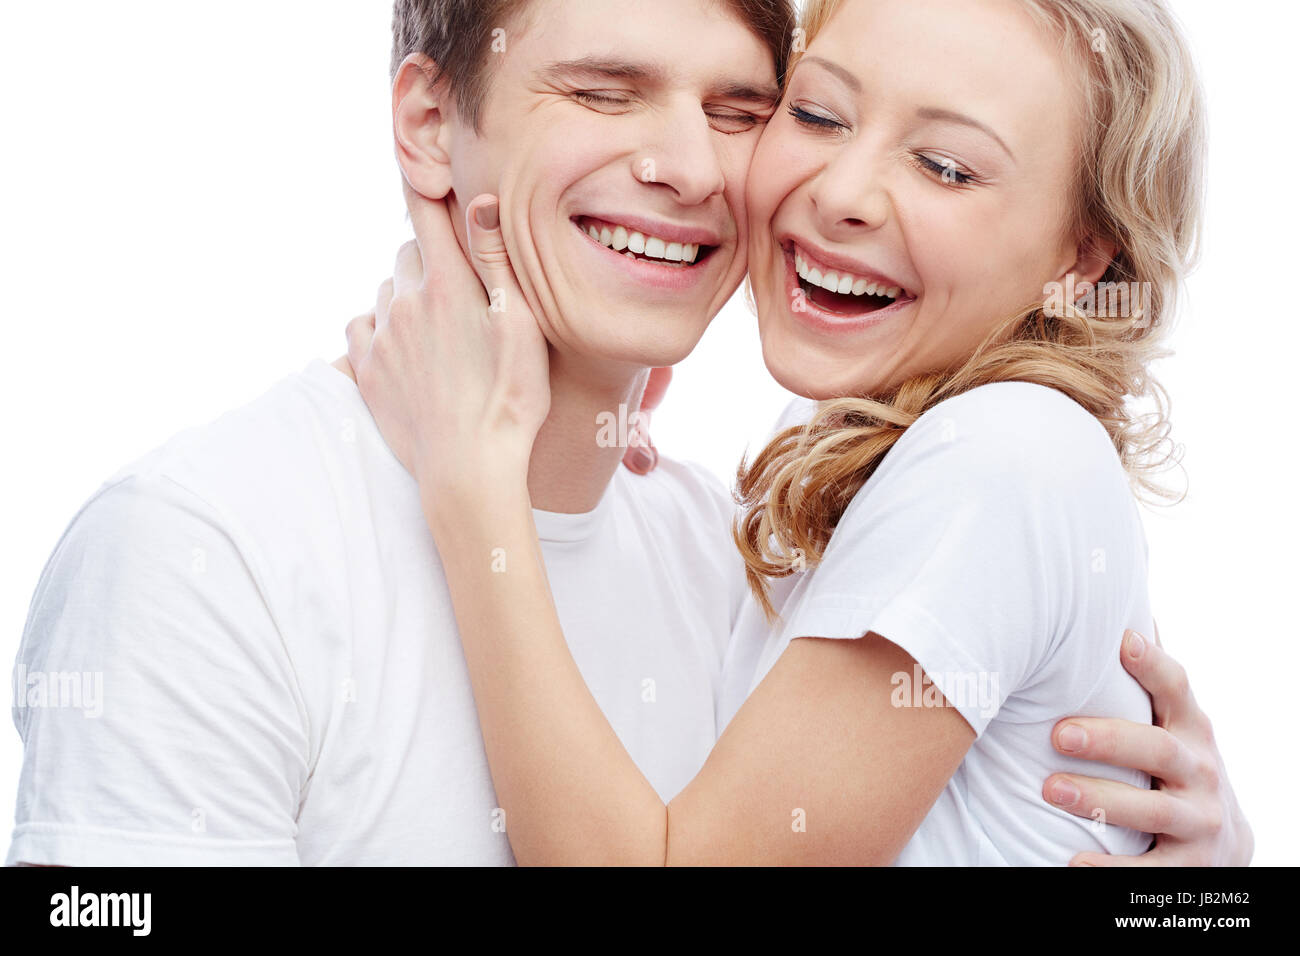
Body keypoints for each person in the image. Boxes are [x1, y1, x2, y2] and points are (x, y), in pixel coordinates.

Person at [7, 0, 1246, 867]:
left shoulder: (731, 554)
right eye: (601, 91)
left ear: (1083, 259)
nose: (684, 166)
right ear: (431, 125)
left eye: (740, 107)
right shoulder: (197, 549)